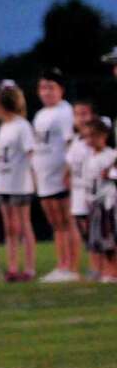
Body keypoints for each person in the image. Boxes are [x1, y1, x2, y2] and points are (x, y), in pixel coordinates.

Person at [31, 69, 80, 280]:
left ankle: (73, 267)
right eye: (43, 88)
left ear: (61, 90)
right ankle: (61, 265)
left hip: (61, 174)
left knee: (68, 221)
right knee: (56, 224)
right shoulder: (40, 115)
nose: (46, 92)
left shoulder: (65, 112)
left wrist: (68, 172)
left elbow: (71, 143)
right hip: (44, 175)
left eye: (51, 87)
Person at [0, 85, 38, 282]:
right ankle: (12, 267)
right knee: (9, 226)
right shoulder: (4, 127)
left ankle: (29, 268)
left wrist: (30, 177)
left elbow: (30, 152)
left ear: (2, 105)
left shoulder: (22, 126)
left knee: (23, 224)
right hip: (4, 182)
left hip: (19, 182)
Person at [65, 100, 100, 280]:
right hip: (78, 193)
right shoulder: (76, 140)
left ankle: (99, 267)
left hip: (92, 193)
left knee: (97, 232)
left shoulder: (96, 141)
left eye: (84, 113)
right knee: (86, 233)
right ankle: (92, 267)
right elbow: (71, 167)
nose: (81, 118)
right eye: (77, 114)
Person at [80, 118, 117, 282]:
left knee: (110, 238)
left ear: (104, 135)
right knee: (98, 239)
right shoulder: (89, 158)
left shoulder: (110, 155)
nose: (90, 140)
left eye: (93, 136)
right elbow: (87, 182)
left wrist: (109, 174)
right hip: (95, 203)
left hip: (109, 203)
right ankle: (101, 270)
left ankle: (113, 271)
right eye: (87, 136)